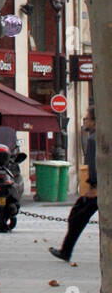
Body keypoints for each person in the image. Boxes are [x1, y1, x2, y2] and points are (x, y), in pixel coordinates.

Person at [50, 109, 98, 262]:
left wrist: (93, 186)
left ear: (95, 122)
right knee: (77, 216)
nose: (84, 120)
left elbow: (94, 165)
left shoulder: (93, 139)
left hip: (98, 189)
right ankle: (66, 250)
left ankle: (66, 251)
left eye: (87, 118)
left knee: (77, 217)